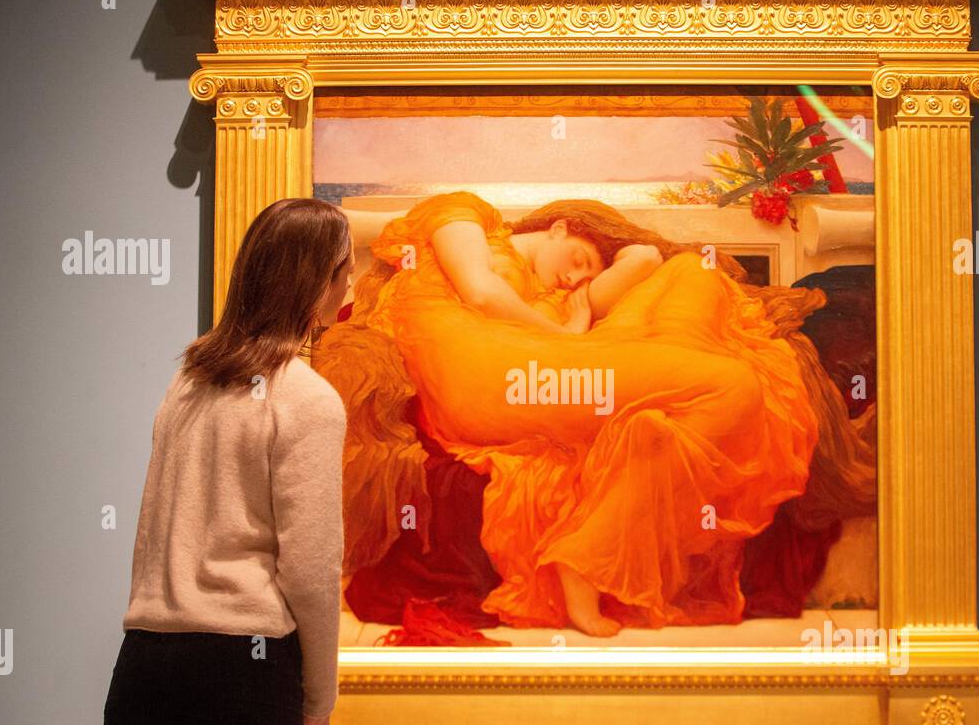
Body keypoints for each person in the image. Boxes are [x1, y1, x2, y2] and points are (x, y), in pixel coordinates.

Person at [319, 190, 818, 637]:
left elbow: (641, 266)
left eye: (587, 276)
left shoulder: (552, 300)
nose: (576, 277)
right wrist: (566, 334)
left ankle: (621, 487)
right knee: (731, 386)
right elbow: (481, 292)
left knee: (691, 273)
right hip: (494, 378)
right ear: (558, 228)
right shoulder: (463, 213)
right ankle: (587, 554)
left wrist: (627, 263)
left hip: (540, 374)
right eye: (580, 258)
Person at [98, 198, 353, 725]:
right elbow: (312, 568)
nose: (353, 283)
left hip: (146, 663)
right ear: (318, 281)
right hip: (243, 671)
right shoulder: (306, 398)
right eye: (345, 269)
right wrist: (319, 693)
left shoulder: (188, 380)